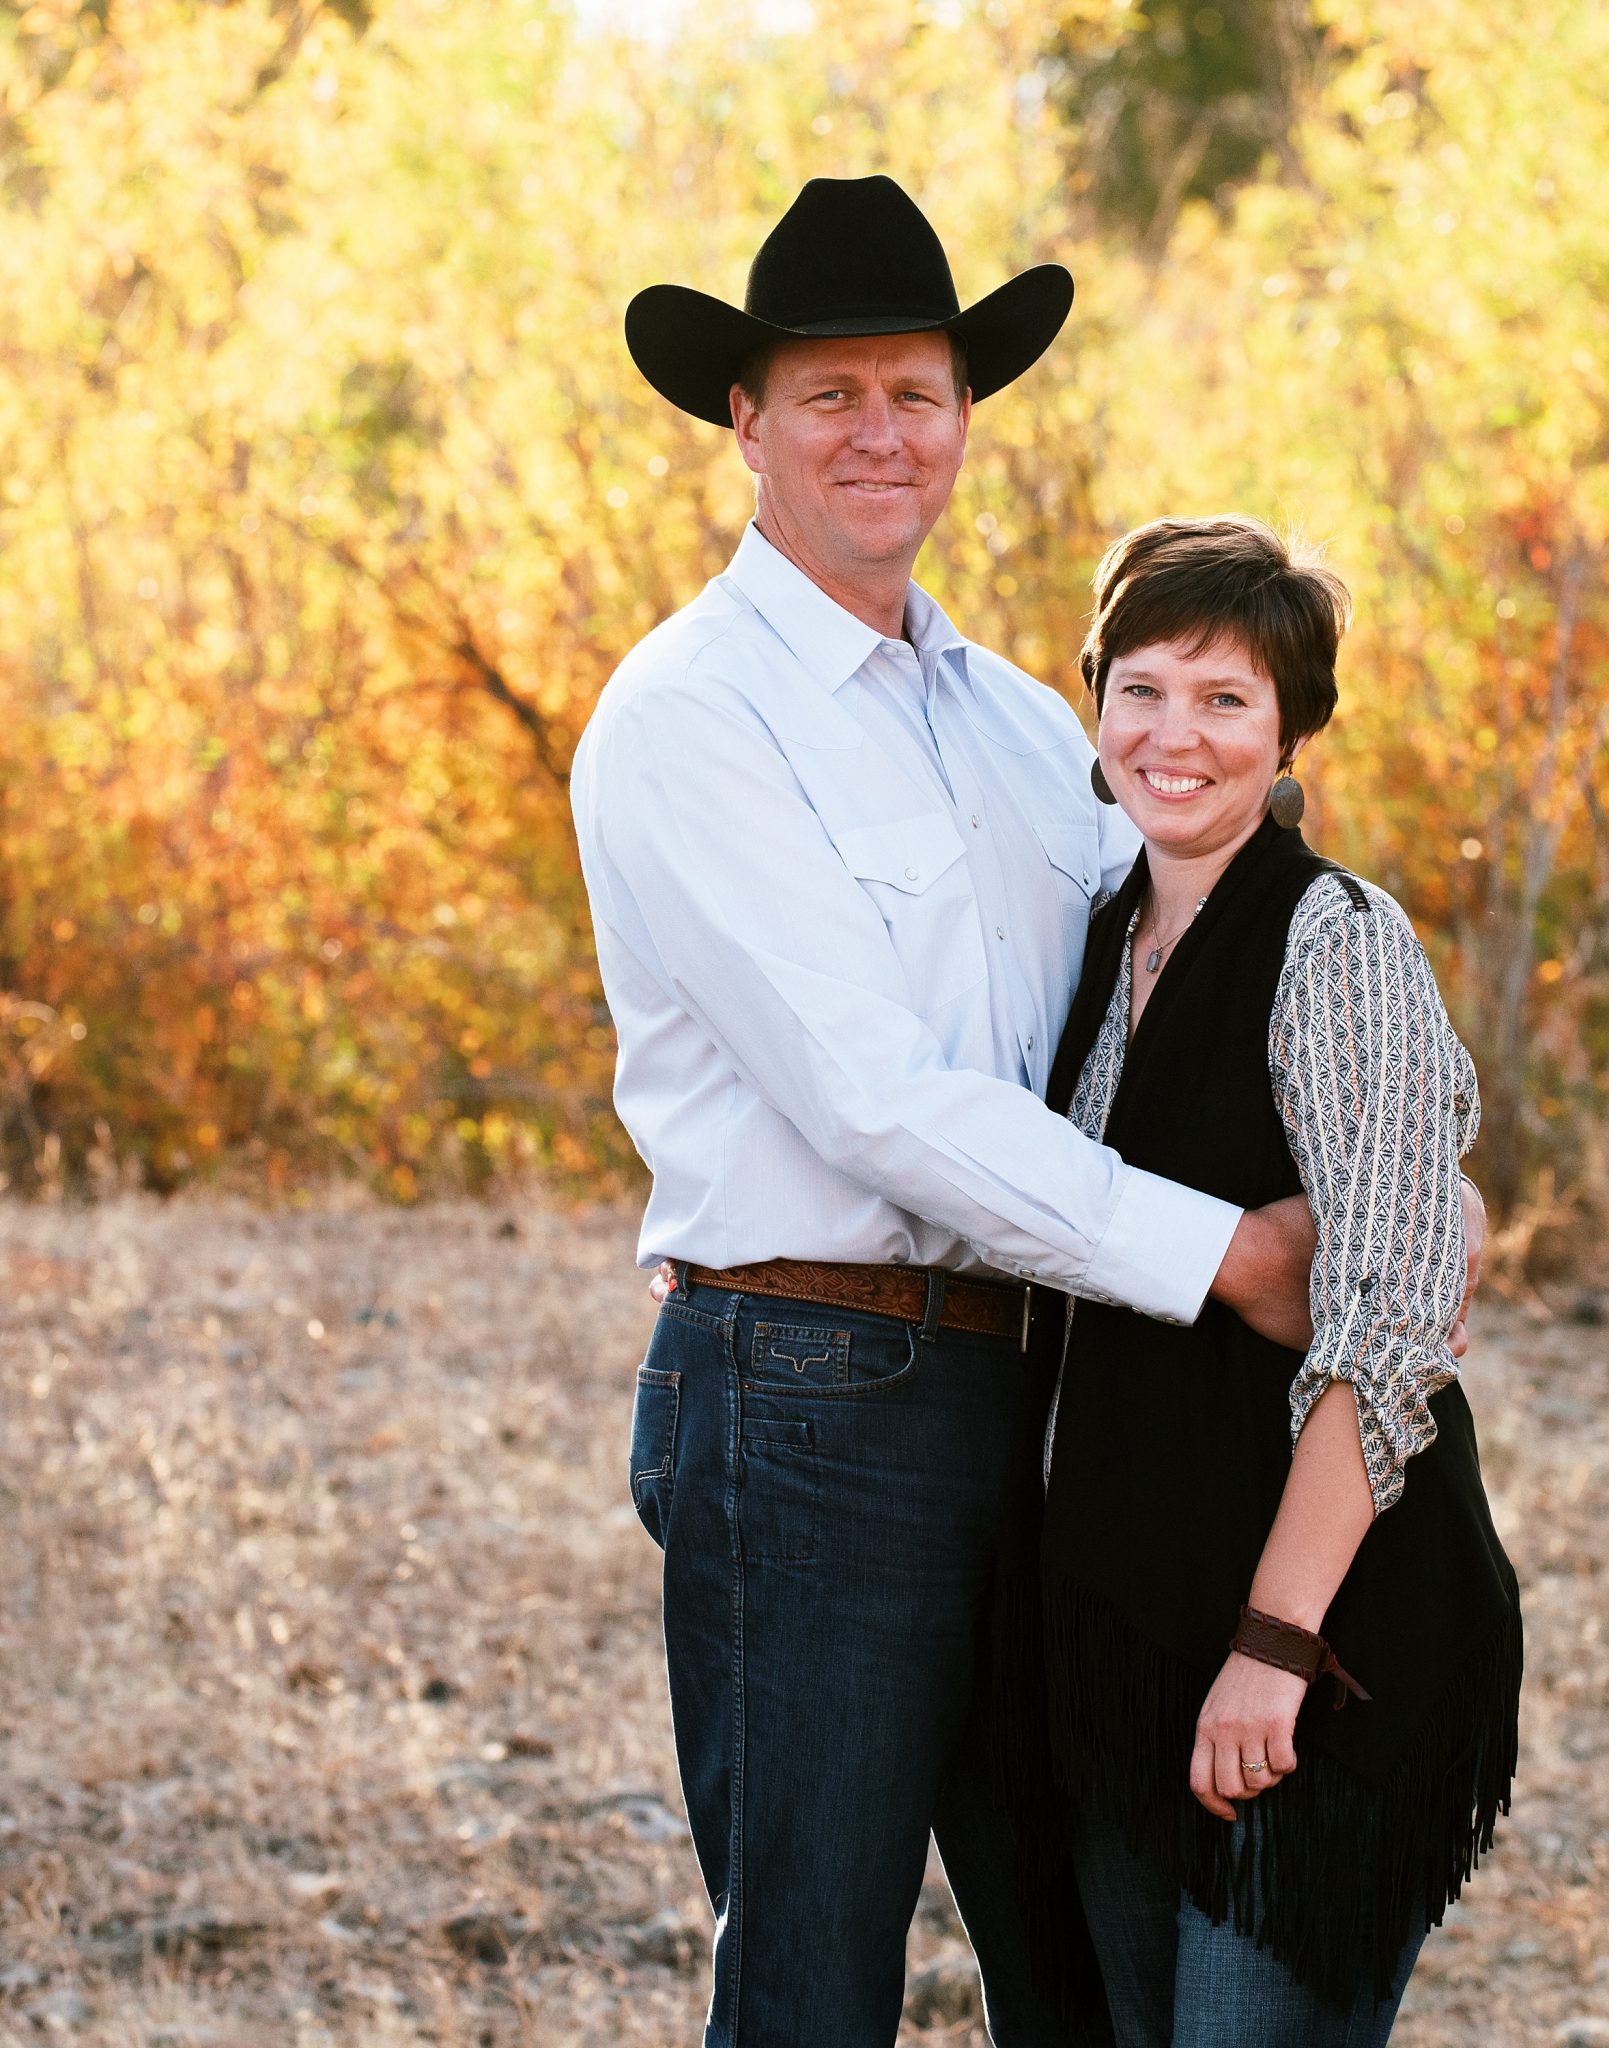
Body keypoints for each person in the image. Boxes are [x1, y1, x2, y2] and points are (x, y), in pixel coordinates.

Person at [570, 176, 1339, 2048]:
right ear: (741, 425)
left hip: (1047, 1393)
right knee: (820, 1968)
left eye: (914, 390)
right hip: (810, 1390)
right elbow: (873, 1101)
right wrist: (1225, 1252)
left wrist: (1390, 1149)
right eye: (827, 394)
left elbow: (1204, 929)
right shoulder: (692, 717)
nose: (880, 433)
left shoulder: (1013, 718)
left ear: (965, 417)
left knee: (1079, 1951)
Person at [1032, 517, 1522, 2046]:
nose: (1176, 736)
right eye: (1146, 689)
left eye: (1228, 700)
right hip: (1134, 1626)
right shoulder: (1099, 935)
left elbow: (1384, 1332)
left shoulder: (1337, 944)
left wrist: (1276, 1644)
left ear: (1291, 730)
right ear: (1097, 698)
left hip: (1324, 1642)